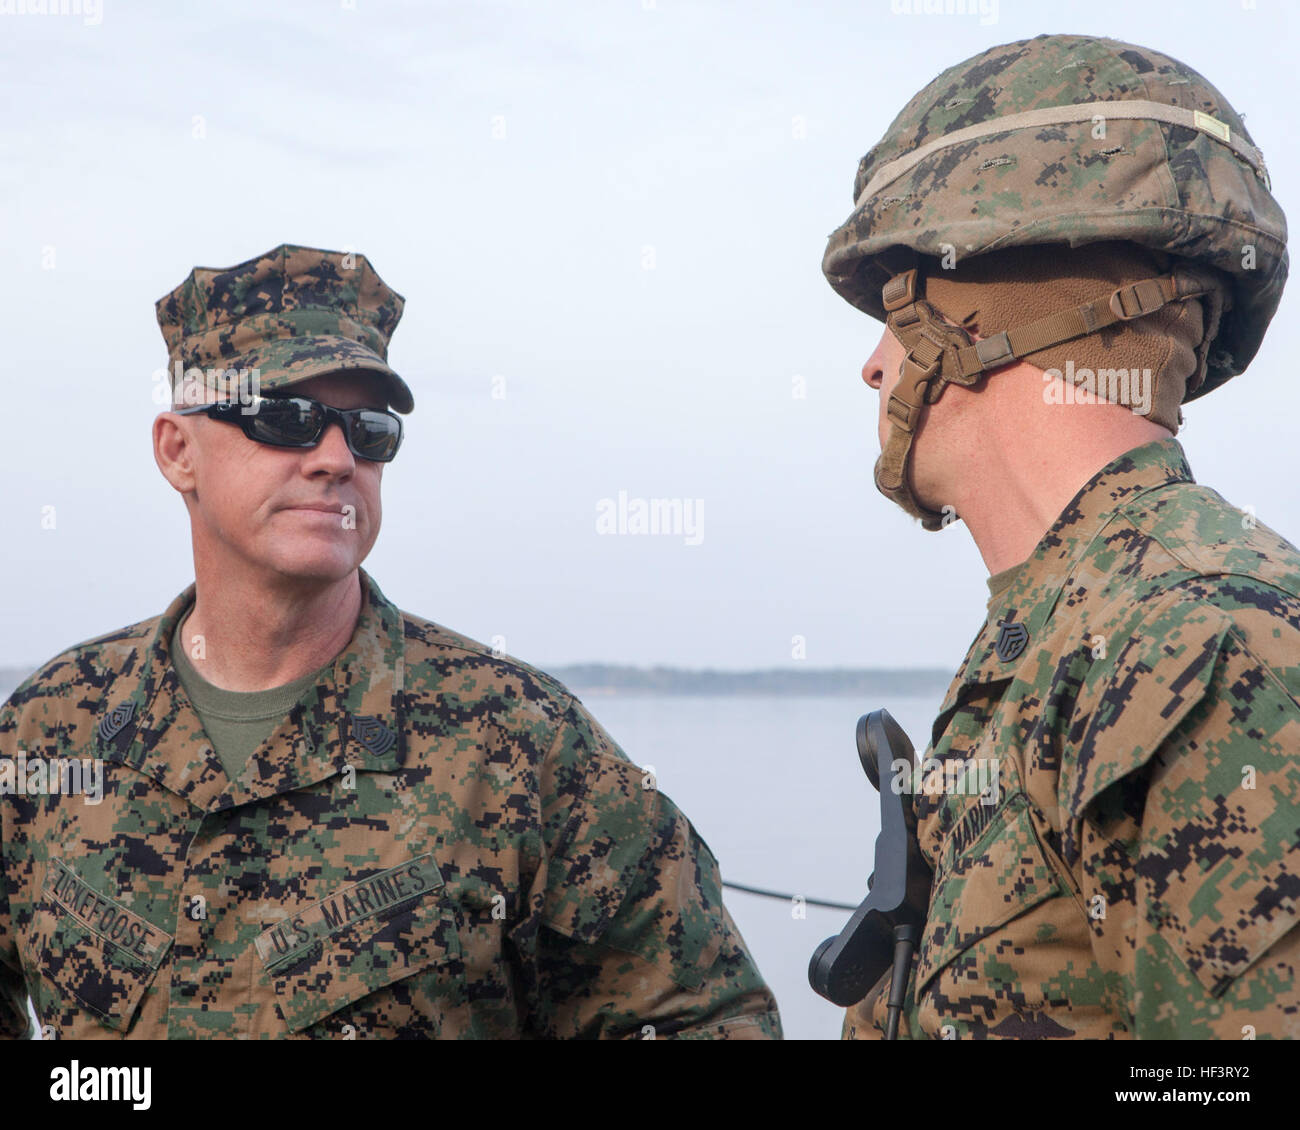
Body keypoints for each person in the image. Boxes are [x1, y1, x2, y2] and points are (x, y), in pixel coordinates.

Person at [0, 243, 781, 1040]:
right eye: (287, 418)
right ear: (177, 451)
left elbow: (705, 1019)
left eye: (368, 431)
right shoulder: (51, 733)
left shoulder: (517, 742)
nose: (336, 460)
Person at [821, 34, 1299, 1038]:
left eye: (895, 312)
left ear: (987, 322)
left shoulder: (1205, 647)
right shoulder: (1064, 633)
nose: (871, 368)